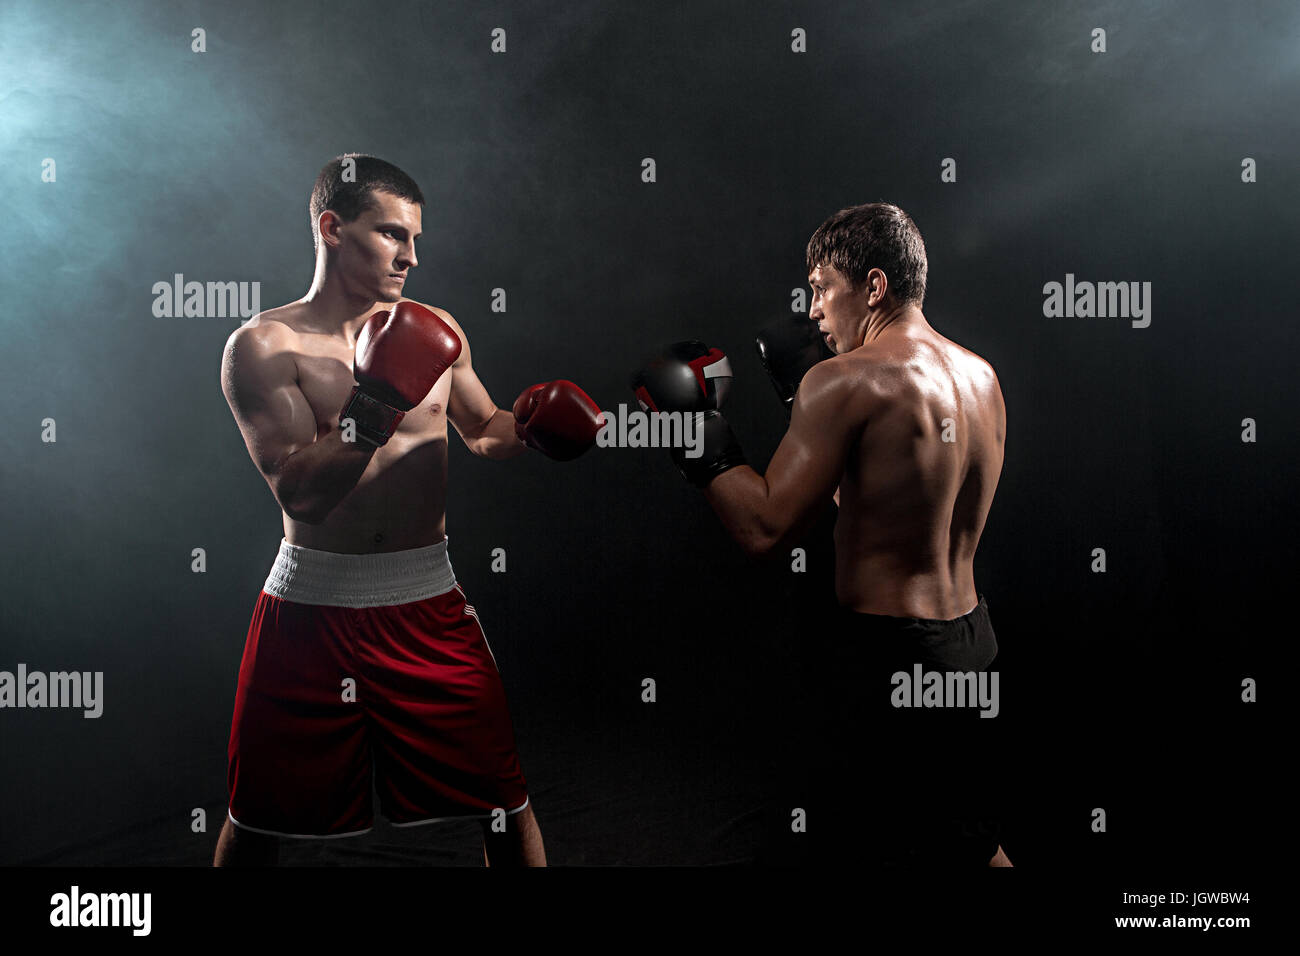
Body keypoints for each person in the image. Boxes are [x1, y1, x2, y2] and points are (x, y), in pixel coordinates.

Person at [214, 154, 602, 866]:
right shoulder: (265, 346)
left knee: (503, 807)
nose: (411, 256)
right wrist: (378, 402)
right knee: (259, 819)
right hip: (310, 607)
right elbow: (302, 492)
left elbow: (484, 430)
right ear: (332, 228)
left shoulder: (436, 329)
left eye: (416, 239)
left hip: (426, 599)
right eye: (392, 235)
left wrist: (542, 425)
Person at [631, 203, 1012, 867]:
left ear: (873, 286)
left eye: (820, 287)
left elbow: (765, 530)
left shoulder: (841, 382)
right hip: (971, 643)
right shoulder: (981, 376)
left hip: (889, 657)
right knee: (969, 843)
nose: (810, 310)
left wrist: (697, 434)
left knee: (863, 844)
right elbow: (880, 497)